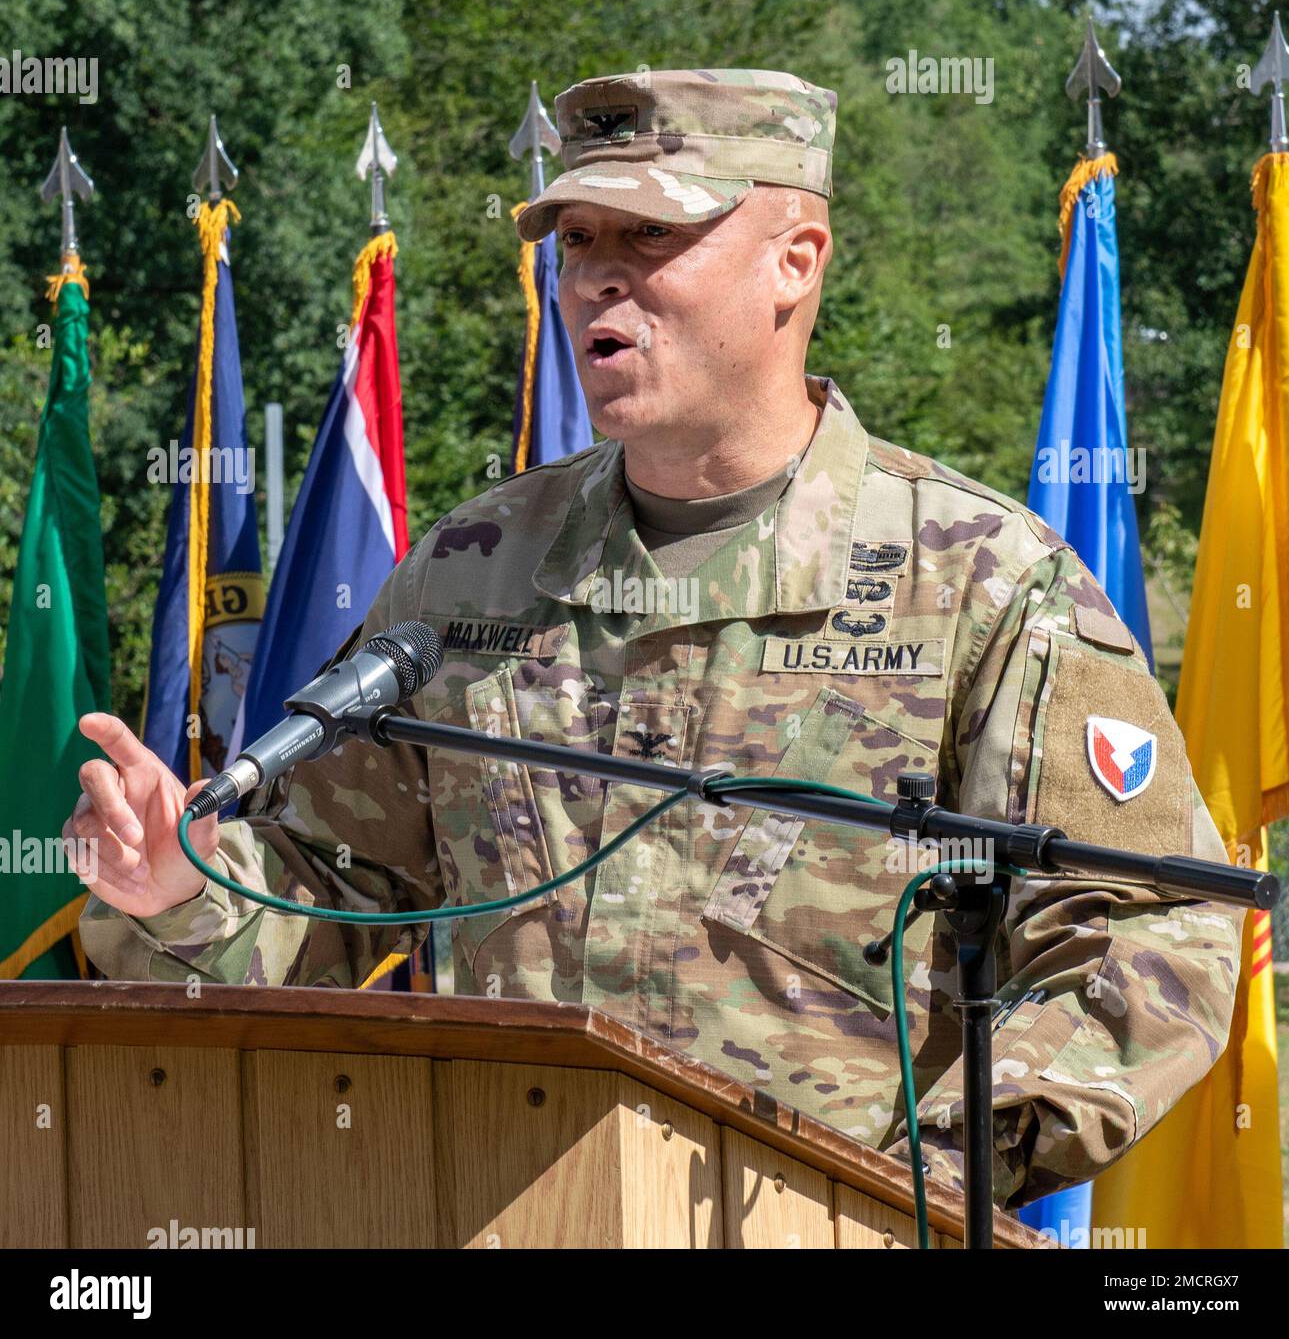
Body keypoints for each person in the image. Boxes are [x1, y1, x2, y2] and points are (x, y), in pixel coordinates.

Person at [69, 68, 1242, 1211]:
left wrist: (924, 1174)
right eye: (576, 241)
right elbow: (326, 890)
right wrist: (176, 888)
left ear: (795, 263)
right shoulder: (474, 570)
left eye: (647, 238)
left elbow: (1146, 930)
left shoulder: (978, 582)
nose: (592, 282)